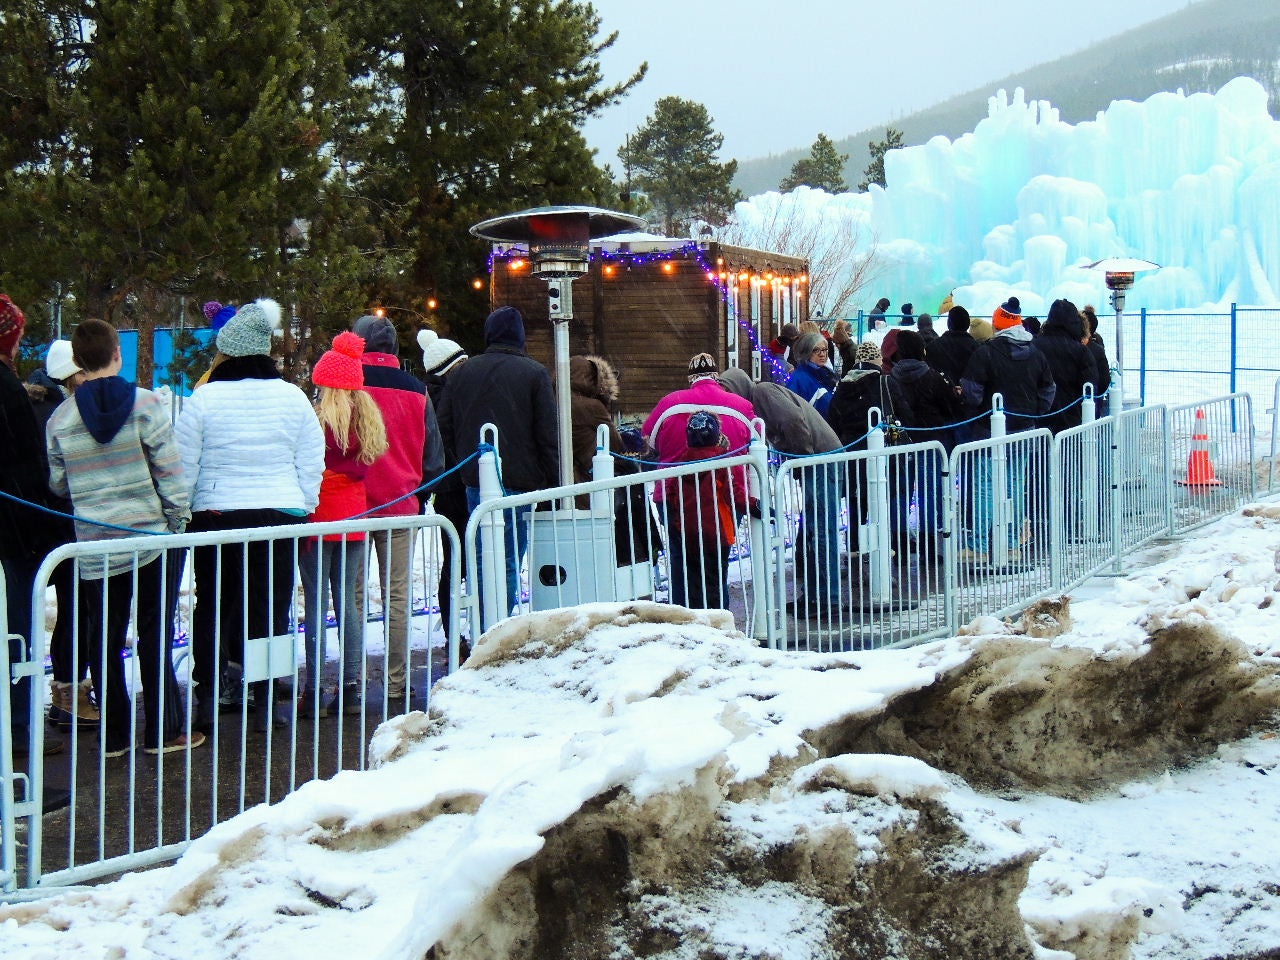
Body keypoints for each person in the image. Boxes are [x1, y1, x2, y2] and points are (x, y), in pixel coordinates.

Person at [46, 318, 203, 757]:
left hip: (94, 541)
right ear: (118, 354)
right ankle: (164, 732)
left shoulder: (60, 418)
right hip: (150, 537)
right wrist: (177, 519)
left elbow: (58, 484)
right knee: (154, 632)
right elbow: (170, 472)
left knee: (104, 636)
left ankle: (114, 736)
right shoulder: (147, 404)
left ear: (77, 360)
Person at [176, 298, 324, 733]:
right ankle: (264, 696)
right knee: (272, 606)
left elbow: (186, 462)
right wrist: (304, 503)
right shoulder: (292, 397)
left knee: (214, 605)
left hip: (217, 514)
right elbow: (311, 457)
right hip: (278, 512)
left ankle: (208, 692)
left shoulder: (204, 399)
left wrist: (185, 508)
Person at [437, 306, 558, 619]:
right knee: (508, 559)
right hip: (520, 480)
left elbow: (445, 426)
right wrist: (552, 480)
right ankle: (498, 626)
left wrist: (466, 463)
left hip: (476, 477)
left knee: (482, 556)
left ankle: (484, 622)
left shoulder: (462, 373)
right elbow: (547, 433)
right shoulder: (534, 373)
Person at [349, 314, 444, 709]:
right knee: (398, 597)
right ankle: (396, 683)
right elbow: (434, 458)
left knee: (351, 595)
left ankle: (353, 682)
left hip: (352, 505)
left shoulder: (348, 388)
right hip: (402, 504)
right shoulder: (417, 390)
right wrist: (419, 493)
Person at [298, 332, 389, 719]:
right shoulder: (367, 416)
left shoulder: (318, 420)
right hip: (354, 516)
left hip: (320, 515)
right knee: (349, 604)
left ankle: (316, 688)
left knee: (317, 605)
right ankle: (351, 687)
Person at [719, 367, 845, 619]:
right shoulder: (758, 402)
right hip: (817, 458)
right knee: (812, 529)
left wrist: (801, 458)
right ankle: (814, 594)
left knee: (821, 530)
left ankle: (826, 597)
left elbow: (792, 421)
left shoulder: (763, 393)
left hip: (820, 459)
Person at [0, 295, 68, 760]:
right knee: (20, 634)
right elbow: (23, 465)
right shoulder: (4, 386)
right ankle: (20, 731)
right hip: (14, 532)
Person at [641, 353, 756, 609]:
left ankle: (684, 618)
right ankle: (719, 618)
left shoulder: (669, 404)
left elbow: (648, 439)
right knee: (717, 562)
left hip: (675, 493)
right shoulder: (741, 407)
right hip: (725, 494)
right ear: (717, 377)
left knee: (681, 559)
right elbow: (754, 445)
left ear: (691, 378)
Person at [25, 340, 97, 726]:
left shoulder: (28, 405)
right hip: (65, 524)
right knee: (78, 611)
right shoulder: (65, 412)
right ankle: (70, 695)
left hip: (31, 527)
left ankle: (58, 697)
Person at [958, 297, 1055, 564]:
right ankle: (1012, 544)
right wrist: (1035, 412)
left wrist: (968, 401)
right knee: (1016, 487)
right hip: (1024, 429)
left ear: (997, 324)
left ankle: (978, 546)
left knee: (985, 488)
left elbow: (973, 392)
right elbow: (1048, 389)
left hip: (989, 431)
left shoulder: (986, 353)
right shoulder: (1036, 353)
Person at [568, 354, 661, 569]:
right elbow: (615, 445)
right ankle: (644, 552)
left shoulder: (555, 402)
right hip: (593, 486)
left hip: (564, 486)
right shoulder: (592, 407)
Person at [418, 328, 471, 654]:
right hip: (457, 487)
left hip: (449, 488)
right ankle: (456, 631)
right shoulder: (446, 400)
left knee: (455, 559)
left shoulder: (433, 396)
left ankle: (454, 632)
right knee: (459, 561)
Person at [886, 330, 960, 560]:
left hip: (901, 441)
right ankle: (929, 545)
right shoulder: (933, 377)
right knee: (930, 492)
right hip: (931, 440)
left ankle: (898, 544)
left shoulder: (890, 378)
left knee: (900, 492)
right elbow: (950, 407)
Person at [666, 412, 749, 610]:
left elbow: (671, 495)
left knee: (694, 581)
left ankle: (699, 623)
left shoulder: (682, 463)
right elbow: (734, 494)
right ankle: (718, 623)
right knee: (715, 581)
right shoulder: (722, 462)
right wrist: (752, 505)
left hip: (689, 533)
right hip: (717, 532)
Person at [1035, 299, 1098, 434]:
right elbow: (1090, 387)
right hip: (1072, 421)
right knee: (1071, 454)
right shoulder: (1081, 351)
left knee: (1040, 454)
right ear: (1074, 322)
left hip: (1039, 421)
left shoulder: (1034, 346)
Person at [785, 332, 839, 419]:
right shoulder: (799, 379)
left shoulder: (827, 374)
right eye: (816, 350)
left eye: (824, 349)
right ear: (806, 352)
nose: (822, 354)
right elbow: (792, 415)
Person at [925, 306, 978, 389]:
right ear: (968, 324)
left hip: (941, 397)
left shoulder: (933, 347)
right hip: (969, 397)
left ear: (949, 323)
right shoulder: (978, 349)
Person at [1080, 305, 1112, 417]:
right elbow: (1105, 378)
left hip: (1077, 401)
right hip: (1095, 395)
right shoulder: (1098, 344)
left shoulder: (1072, 347)